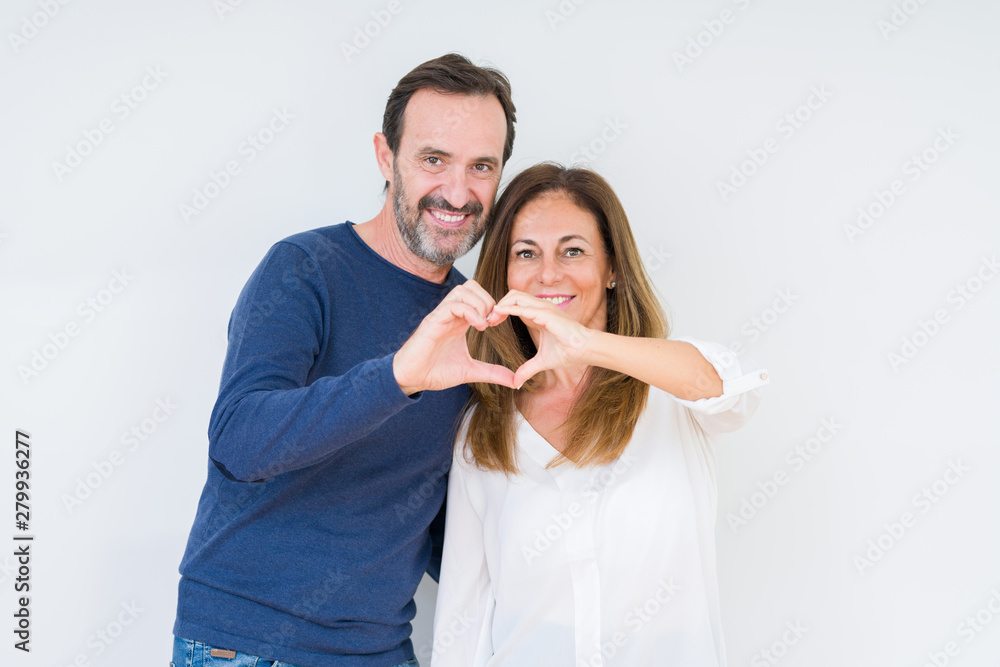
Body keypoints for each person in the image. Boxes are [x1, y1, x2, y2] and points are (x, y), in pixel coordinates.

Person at [171, 53, 518, 667]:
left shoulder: (475, 325)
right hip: (246, 644)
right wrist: (397, 378)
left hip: (380, 648)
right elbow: (240, 441)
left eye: (481, 167)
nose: (458, 192)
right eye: (434, 159)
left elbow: (439, 523)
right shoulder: (304, 269)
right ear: (386, 157)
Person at [430, 163, 769, 666]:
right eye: (526, 253)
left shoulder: (668, 391)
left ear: (612, 269)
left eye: (573, 251)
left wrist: (584, 344)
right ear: (504, 274)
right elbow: (464, 614)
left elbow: (727, 391)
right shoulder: (482, 431)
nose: (549, 273)